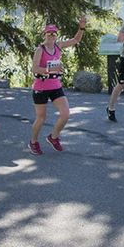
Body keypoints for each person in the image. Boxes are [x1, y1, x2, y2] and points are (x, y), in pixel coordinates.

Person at [29, 18, 86, 155]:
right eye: (49, 33)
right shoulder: (40, 50)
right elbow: (35, 69)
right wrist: (53, 68)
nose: (52, 35)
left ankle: (53, 137)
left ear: (57, 35)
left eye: (54, 33)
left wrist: (81, 28)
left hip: (55, 85)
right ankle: (33, 142)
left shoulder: (59, 46)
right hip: (41, 86)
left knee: (65, 114)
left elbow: (75, 40)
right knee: (41, 117)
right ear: (44, 35)